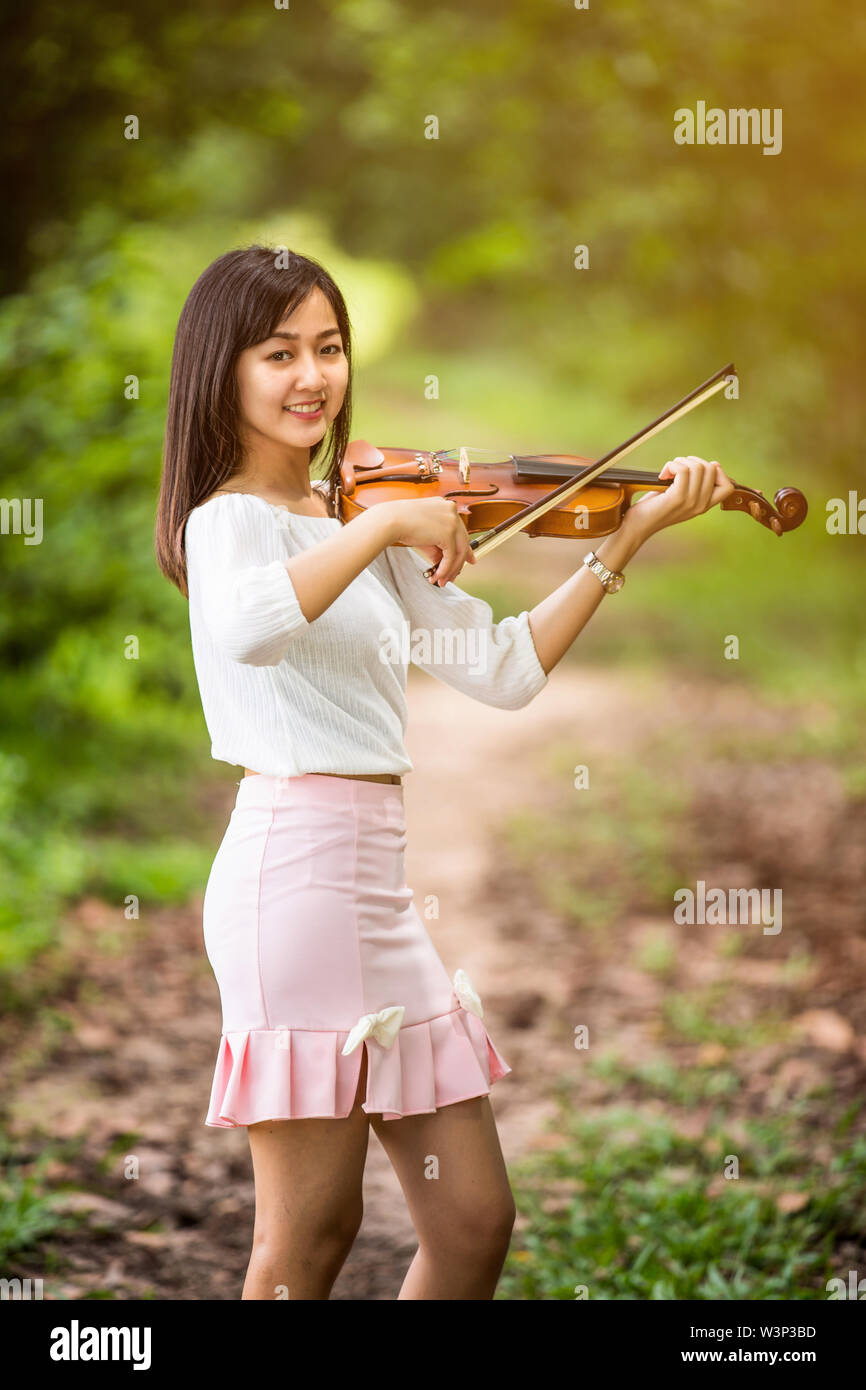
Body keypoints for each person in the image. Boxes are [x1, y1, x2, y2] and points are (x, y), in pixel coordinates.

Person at [154, 243, 735, 1301]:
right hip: (291, 879)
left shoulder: (361, 515)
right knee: (309, 1235)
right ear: (219, 372)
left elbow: (502, 670)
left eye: (328, 348)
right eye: (277, 352)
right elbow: (247, 628)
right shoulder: (229, 521)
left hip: (372, 891)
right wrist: (378, 522)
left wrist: (626, 535)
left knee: (471, 1218)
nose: (311, 377)